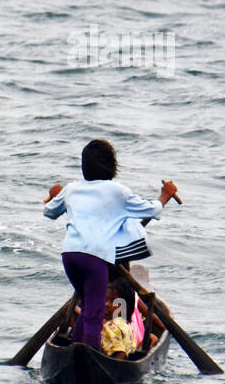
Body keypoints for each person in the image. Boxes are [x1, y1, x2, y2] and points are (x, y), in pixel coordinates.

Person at [43, 139, 177, 351]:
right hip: (95, 259)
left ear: (83, 167)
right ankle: (89, 357)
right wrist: (165, 195)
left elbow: (49, 212)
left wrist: (54, 197)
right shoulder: (117, 191)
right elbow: (152, 210)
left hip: (70, 256)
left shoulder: (71, 189)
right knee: (94, 314)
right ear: (112, 167)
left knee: (87, 307)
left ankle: (75, 351)